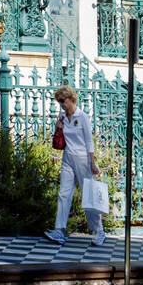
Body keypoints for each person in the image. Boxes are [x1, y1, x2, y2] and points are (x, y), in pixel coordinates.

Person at [44, 84, 105, 247]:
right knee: (63, 194)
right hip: (68, 158)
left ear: (71, 98)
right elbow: (59, 141)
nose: (61, 104)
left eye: (62, 100)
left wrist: (92, 162)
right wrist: (58, 129)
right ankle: (59, 230)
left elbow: (89, 141)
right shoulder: (62, 118)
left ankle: (99, 231)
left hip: (83, 159)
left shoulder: (82, 116)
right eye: (59, 101)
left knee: (88, 196)